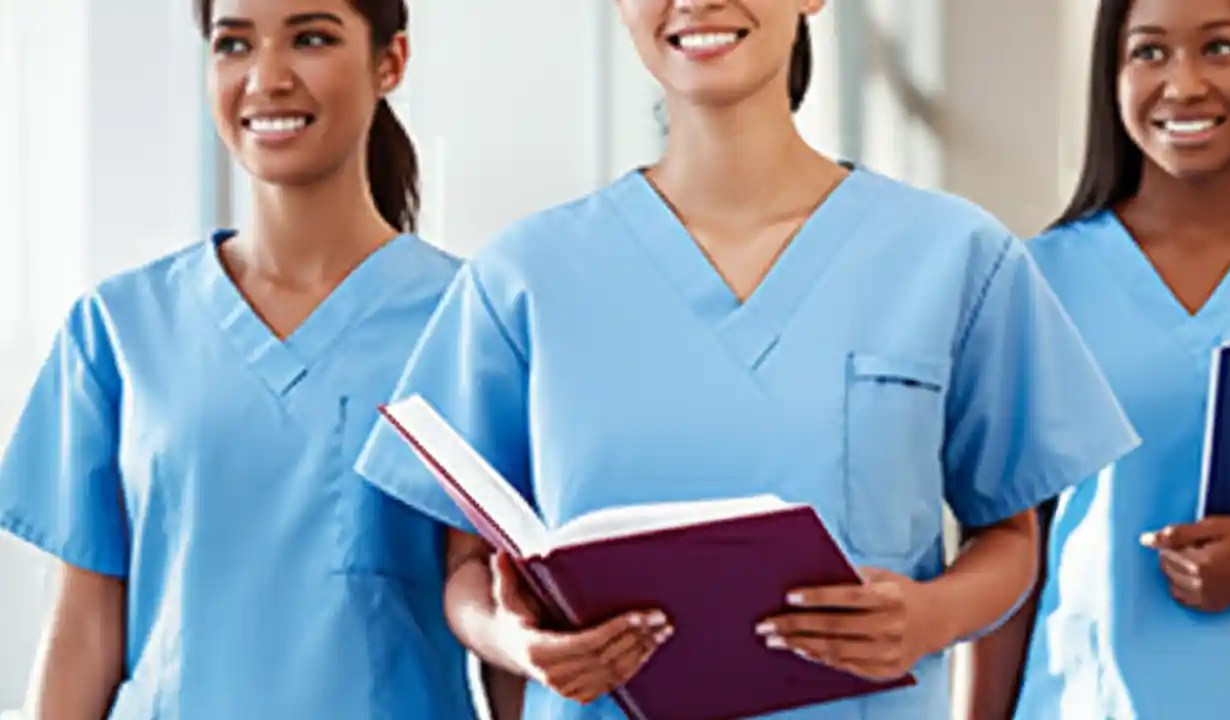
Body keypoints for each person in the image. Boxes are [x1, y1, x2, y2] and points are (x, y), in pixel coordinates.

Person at [356, 0, 1139, 718]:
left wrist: (931, 616)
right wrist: (519, 646)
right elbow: (466, 566)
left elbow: (1010, 535)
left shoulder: (954, 256)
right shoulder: (524, 276)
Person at [0, 0, 511, 717]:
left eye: (309, 38)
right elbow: (86, 629)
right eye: (233, 45)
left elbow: (509, 628)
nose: (266, 77)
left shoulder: (471, 323)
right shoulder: (118, 329)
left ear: (390, 61)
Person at [975, 0, 1230, 717]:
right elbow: (1005, 548)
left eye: (1221, 48)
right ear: (1110, 76)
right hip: (1087, 698)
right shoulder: (1035, 280)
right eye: (1148, 53)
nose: (1183, 86)